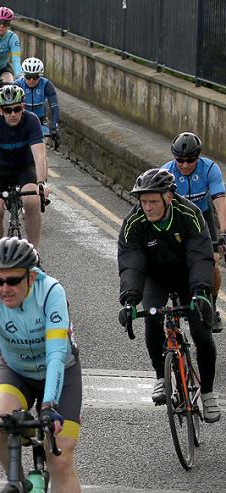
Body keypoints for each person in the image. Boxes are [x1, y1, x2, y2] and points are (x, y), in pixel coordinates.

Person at [0, 237, 82, 493]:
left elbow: (55, 353)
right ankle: (21, 484)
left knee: (60, 460)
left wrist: (49, 405)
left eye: (12, 281)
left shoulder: (51, 292)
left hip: (61, 375)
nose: (4, 288)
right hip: (17, 373)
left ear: (31, 277)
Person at [117, 168, 220, 423]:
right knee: (152, 315)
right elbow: (131, 262)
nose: (148, 207)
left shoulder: (190, 214)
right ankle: (161, 377)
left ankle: (207, 393)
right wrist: (129, 299)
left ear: (168, 198)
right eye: (143, 202)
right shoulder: (134, 223)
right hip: (157, 277)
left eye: (153, 201)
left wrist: (200, 293)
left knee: (202, 335)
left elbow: (200, 256)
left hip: (189, 277)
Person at [161, 131, 226, 333]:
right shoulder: (166, 172)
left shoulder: (209, 170)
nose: (185, 165)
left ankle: (211, 306)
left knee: (213, 263)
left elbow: (220, 201)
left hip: (202, 219)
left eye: (190, 160)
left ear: (198, 158)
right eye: (180, 160)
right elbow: (160, 208)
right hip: (176, 221)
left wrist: (224, 232)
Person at [0, 85, 49, 250]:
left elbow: (39, 156)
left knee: (32, 201)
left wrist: (42, 182)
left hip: (24, 167)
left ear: (23, 107)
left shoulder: (32, 120)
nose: (13, 114)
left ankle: (34, 252)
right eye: (8, 110)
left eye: (17, 109)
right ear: (0, 110)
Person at [14, 57, 60, 143]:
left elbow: (55, 107)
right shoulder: (17, 85)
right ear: (23, 75)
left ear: (40, 75)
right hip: (22, 118)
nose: (31, 80)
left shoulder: (46, 84)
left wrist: (54, 127)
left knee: (41, 146)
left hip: (40, 119)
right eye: (28, 76)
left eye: (35, 77)